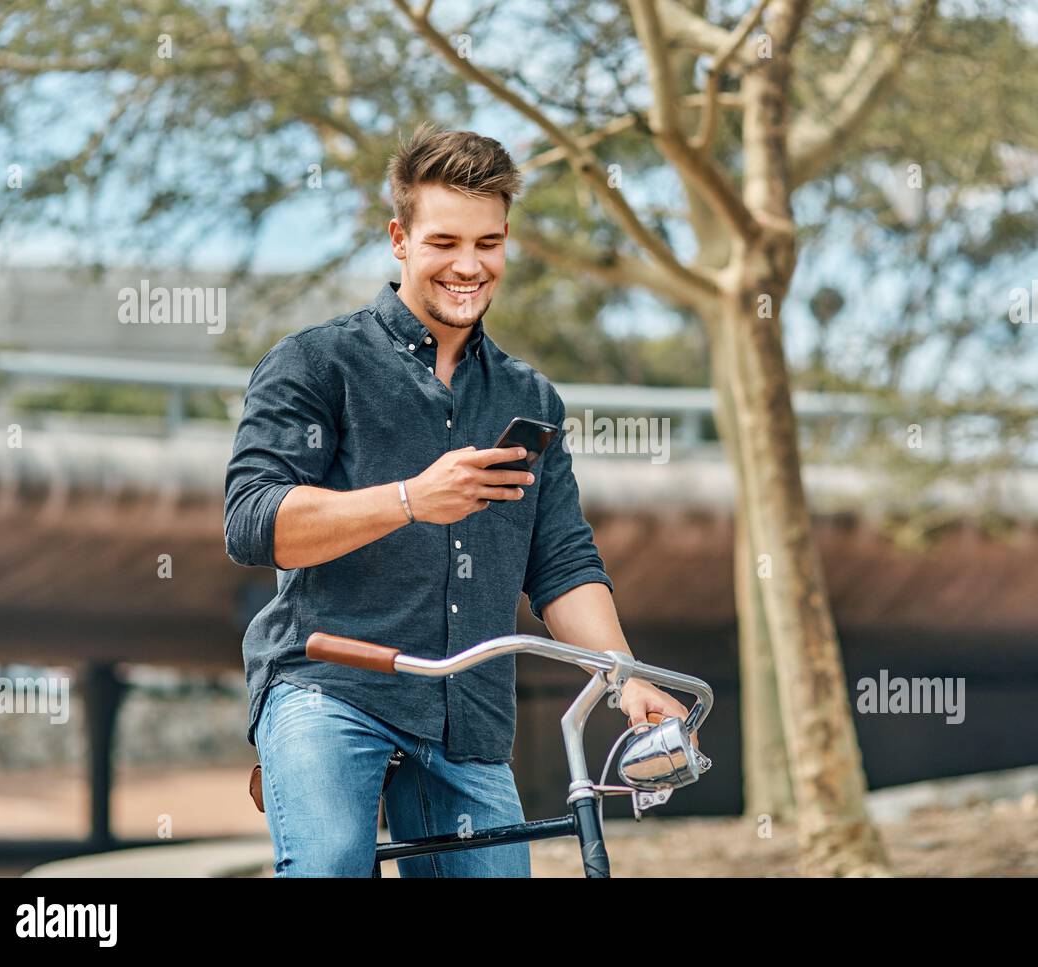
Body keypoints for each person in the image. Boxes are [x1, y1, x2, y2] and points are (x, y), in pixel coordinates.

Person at [223, 122, 689, 877]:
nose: (468, 266)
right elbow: (252, 523)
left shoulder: (528, 396)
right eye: (444, 242)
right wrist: (411, 498)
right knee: (330, 862)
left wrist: (621, 672)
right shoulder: (316, 363)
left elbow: (563, 562)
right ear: (400, 238)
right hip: (329, 687)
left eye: (489, 242)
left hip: (468, 714)